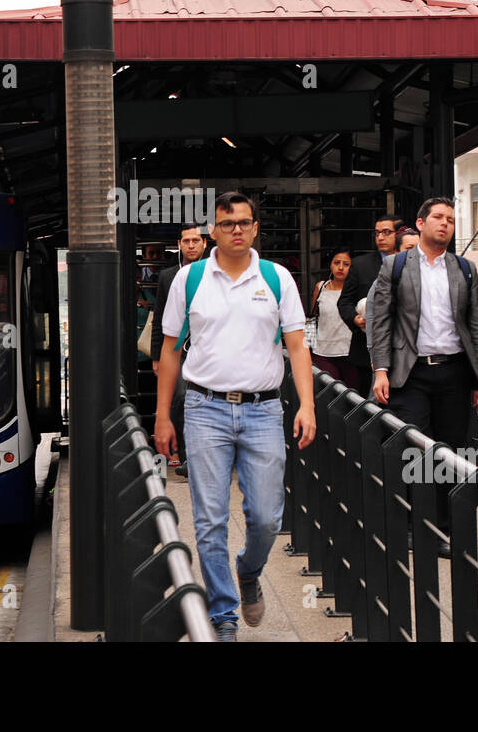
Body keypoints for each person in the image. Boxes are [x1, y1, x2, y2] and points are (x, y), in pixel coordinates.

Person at [154, 191, 316, 641]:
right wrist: (163, 416)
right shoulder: (189, 280)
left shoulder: (276, 277)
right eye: (227, 224)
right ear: (213, 232)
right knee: (209, 519)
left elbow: (297, 345)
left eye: (244, 222)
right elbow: (169, 351)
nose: (237, 230)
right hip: (204, 408)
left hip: (264, 409)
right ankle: (223, 616)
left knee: (265, 516)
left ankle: (249, 570)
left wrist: (307, 404)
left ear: (256, 227)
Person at [367, 197, 478, 557]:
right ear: (420, 224)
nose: (445, 224)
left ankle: (444, 530)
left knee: (451, 452)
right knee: (414, 448)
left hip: (455, 372)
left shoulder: (465, 268)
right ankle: (411, 525)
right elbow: (381, 322)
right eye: (438, 217)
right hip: (412, 372)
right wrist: (380, 370)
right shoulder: (396, 266)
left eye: (450, 219)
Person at [149, 224, 209, 474]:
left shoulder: (216, 272)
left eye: (196, 240)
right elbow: (159, 316)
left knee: (208, 403)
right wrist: (155, 356)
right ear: (179, 244)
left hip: (209, 348)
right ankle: (187, 458)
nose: (191, 245)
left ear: (205, 243)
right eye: (187, 241)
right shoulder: (168, 276)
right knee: (182, 399)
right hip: (178, 350)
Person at [337, 214, 403, 396]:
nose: (380, 237)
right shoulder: (360, 265)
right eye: (377, 233)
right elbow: (344, 302)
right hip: (366, 353)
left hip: (403, 352)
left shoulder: (411, 264)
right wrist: (355, 319)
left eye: (386, 232)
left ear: (399, 234)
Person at [309, 248, 361, 388]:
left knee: (353, 396)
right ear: (330, 265)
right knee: (329, 393)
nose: (340, 267)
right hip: (323, 351)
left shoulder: (356, 291)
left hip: (350, 352)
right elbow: (314, 315)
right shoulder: (321, 287)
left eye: (346, 264)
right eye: (337, 262)